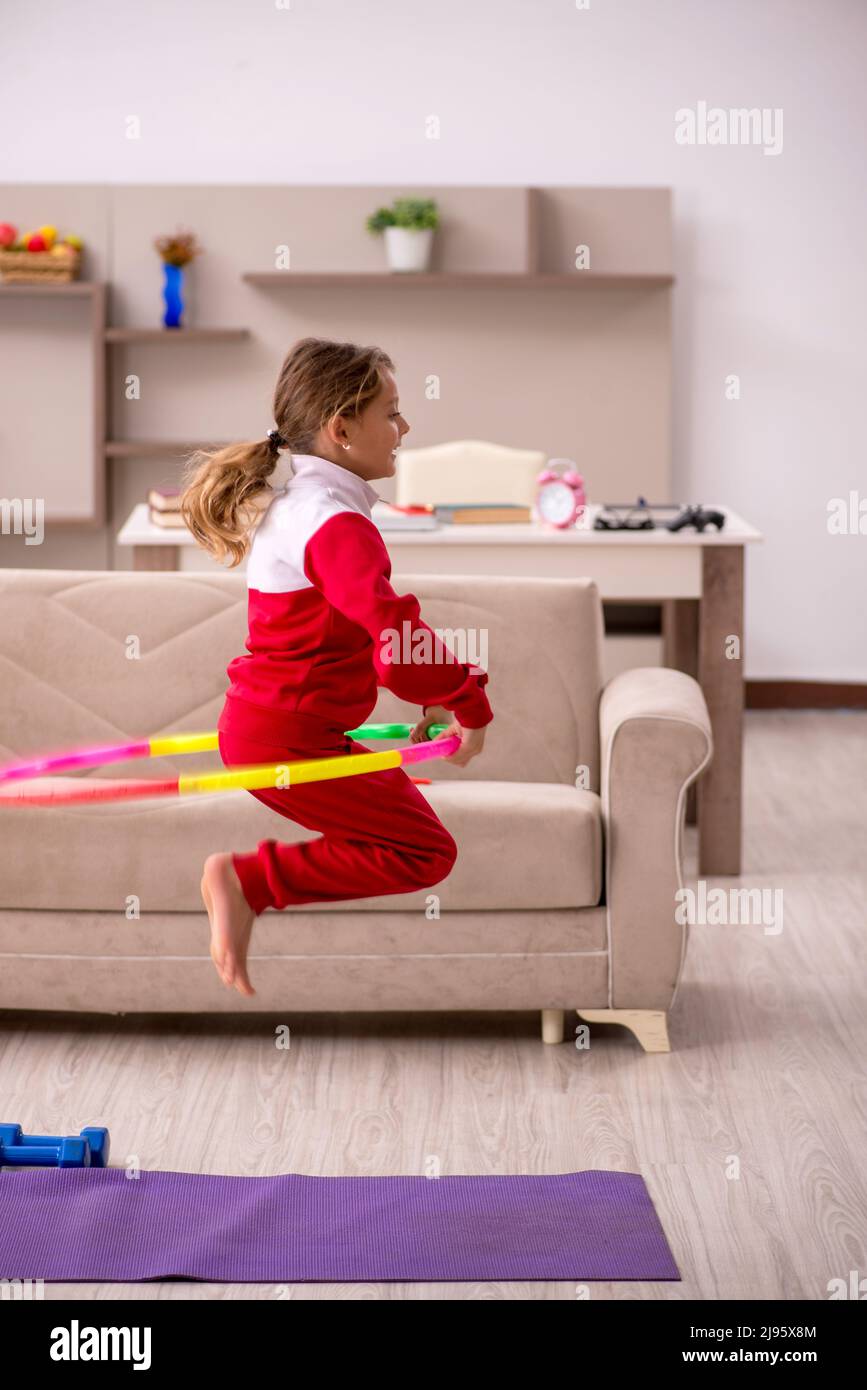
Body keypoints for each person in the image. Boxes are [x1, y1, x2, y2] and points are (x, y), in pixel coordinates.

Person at [179, 337, 493, 997]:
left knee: (412, 829)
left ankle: (246, 882)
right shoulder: (332, 522)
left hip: (285, 729)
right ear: (341, 428)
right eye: (392, 412)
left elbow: (369, 638)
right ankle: (244, 880)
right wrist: (468, 704)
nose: (404, 429)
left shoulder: (304, 508)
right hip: (286, 737)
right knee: (427, 851)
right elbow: (396, 638)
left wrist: (429, 699)